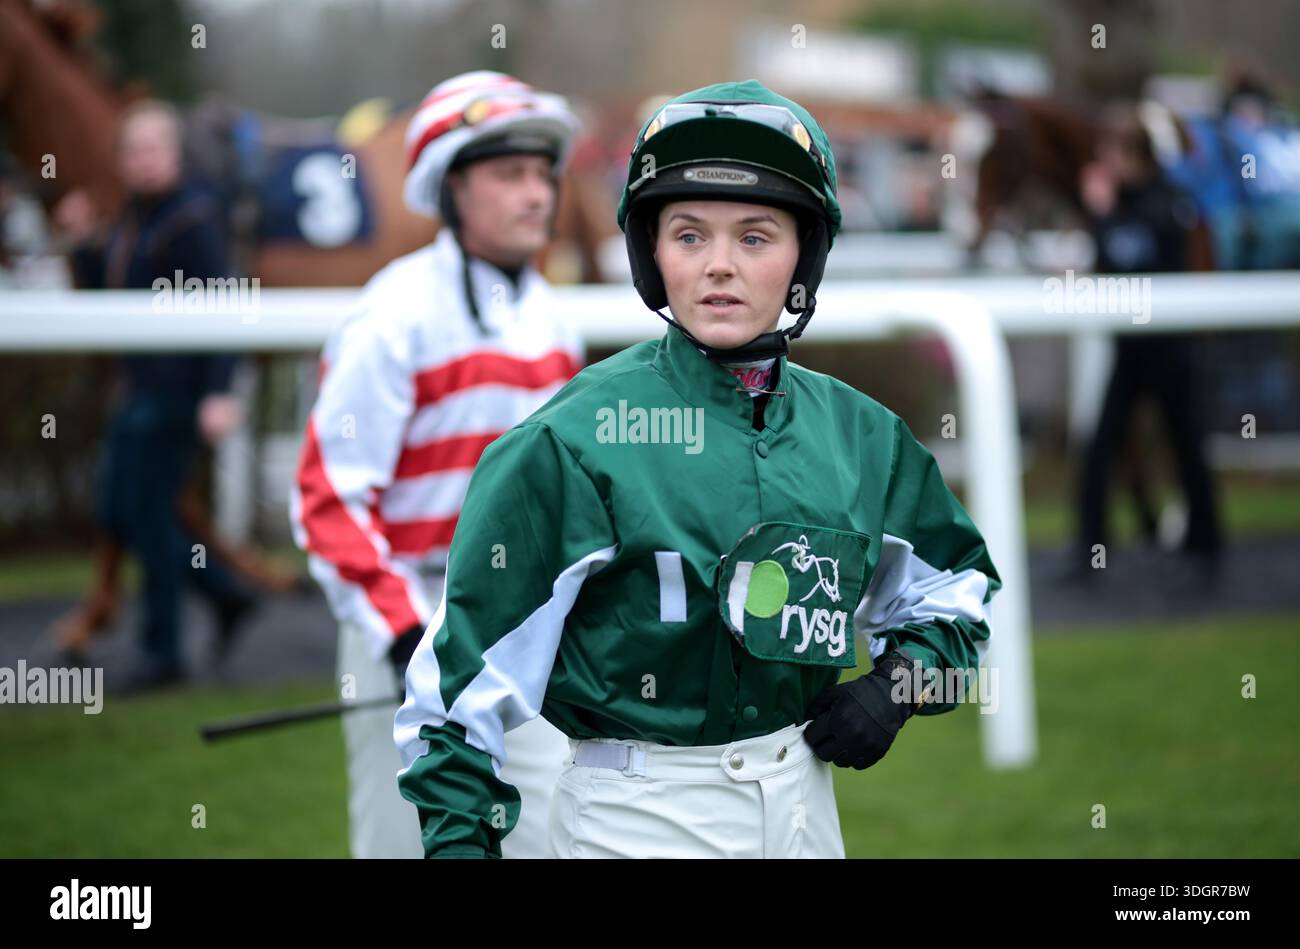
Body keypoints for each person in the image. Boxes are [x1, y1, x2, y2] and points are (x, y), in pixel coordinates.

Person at [395, 80, 1002, 859]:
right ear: (652, 255)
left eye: (755, 237)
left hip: (805, 809)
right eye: (689, 236)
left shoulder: (864, 437)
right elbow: (448, 702)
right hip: (635, 816)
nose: (719, 266)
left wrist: (899, 688)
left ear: (802, 255)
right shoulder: (571, 439)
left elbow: (966, 600)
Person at [291, 71, 584, 859]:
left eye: (541, 174)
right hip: (410, 621)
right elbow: (328, 499)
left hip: (524, 628)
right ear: (451, 189)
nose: (535, 193)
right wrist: (401, 632)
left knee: (553, 837)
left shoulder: (555, 320)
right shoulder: (392, 317)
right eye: (509, 174)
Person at [60, 99, 258, 690]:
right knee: (123, 513)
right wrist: (80, 245)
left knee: (146, 518)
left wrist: (220, 392)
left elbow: (228, 306)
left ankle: (164, 654)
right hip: (137, 393)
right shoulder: (134, 219)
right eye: (133, 150)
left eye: (154, 149)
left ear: (173, 154)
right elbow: (115, 302)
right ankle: (225, 596)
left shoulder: (191, 219)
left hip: (175, 396)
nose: (143, 161)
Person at [1067, 102, 1223, 587]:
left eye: (1109, 152)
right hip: (1131, 352)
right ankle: (1089, 555)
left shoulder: (1166, 201)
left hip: (1170, 351)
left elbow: (1129, 256)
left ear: (1134, 153)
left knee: (1188, 447)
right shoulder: (1126, 202)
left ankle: (1206, 547)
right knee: (1099, 452)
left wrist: (1101, 214)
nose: (1102, 163)